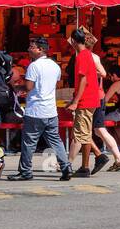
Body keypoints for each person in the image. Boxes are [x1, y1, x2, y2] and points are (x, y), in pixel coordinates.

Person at [8, 36, 72, 181]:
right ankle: (66, 167)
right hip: (51, 110)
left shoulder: (34, 66)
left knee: (29, 143)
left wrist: (15, 86)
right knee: (56, 141)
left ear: (41, 49)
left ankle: (25, 171)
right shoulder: (55, 66)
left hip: (36, 110)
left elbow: (29, 87)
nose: (29, 49)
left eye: (32, 47)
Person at [83, 29, 120, 172]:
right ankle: (118, 159)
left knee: (91, 131)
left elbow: (101, 74)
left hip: (93, 97)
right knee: (97, 130)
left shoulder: (88, 57)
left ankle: (66, 164)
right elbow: (102, 73)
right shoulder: (94, 57)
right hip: (98, 97)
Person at [66, 29, 104, 178]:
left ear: (74, 42)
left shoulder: (81, 56)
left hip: (85, 100)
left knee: (81, 134)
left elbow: (83, 79)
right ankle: (87, 164)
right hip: (91, 99)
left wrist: (75, 101)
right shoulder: (88, 54)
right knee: (85, 133)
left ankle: (87, 164)